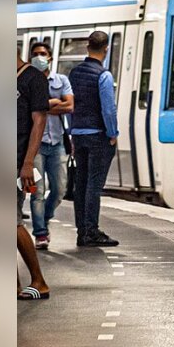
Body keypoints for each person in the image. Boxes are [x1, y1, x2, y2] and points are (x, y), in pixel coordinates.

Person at [68, 31, 119, 247]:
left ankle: (82, 231)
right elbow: (108, 109)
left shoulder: (74, 73)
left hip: (79, 134)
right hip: (98, 135)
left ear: (88, 47)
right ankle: (91, 231)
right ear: (106, 49)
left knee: (81, 184)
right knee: (94, 186)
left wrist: (72, 131)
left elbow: (70, 106)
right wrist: (113, 134)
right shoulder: (104, 75)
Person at [28, 41, 73, 250]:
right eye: (36, 54)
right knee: (37, 191)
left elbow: (70, 105)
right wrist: (54, 102)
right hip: (35, 146)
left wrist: (42, 107)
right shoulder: (26, 81)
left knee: (60, 189)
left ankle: (44, 218)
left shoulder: (61, 80)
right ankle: (40, 233)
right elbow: (26, 110)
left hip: (57, 143)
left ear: (50, 57)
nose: (40, 57)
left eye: (43, 53)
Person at [17, 54, 51, 299]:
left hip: (17, 159)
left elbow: (39, 121)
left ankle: (39, 281)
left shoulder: (33, 78)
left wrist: (28, 162)